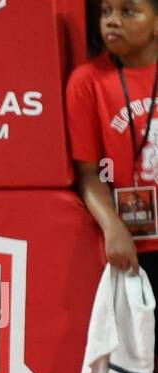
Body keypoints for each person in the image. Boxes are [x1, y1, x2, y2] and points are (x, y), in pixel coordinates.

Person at [68, 0, 158, 299]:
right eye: (106, 12)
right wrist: (112, 227)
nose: (112, 21)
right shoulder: (87, 81)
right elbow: (88, 172)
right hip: (133, 240)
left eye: (128, 11)